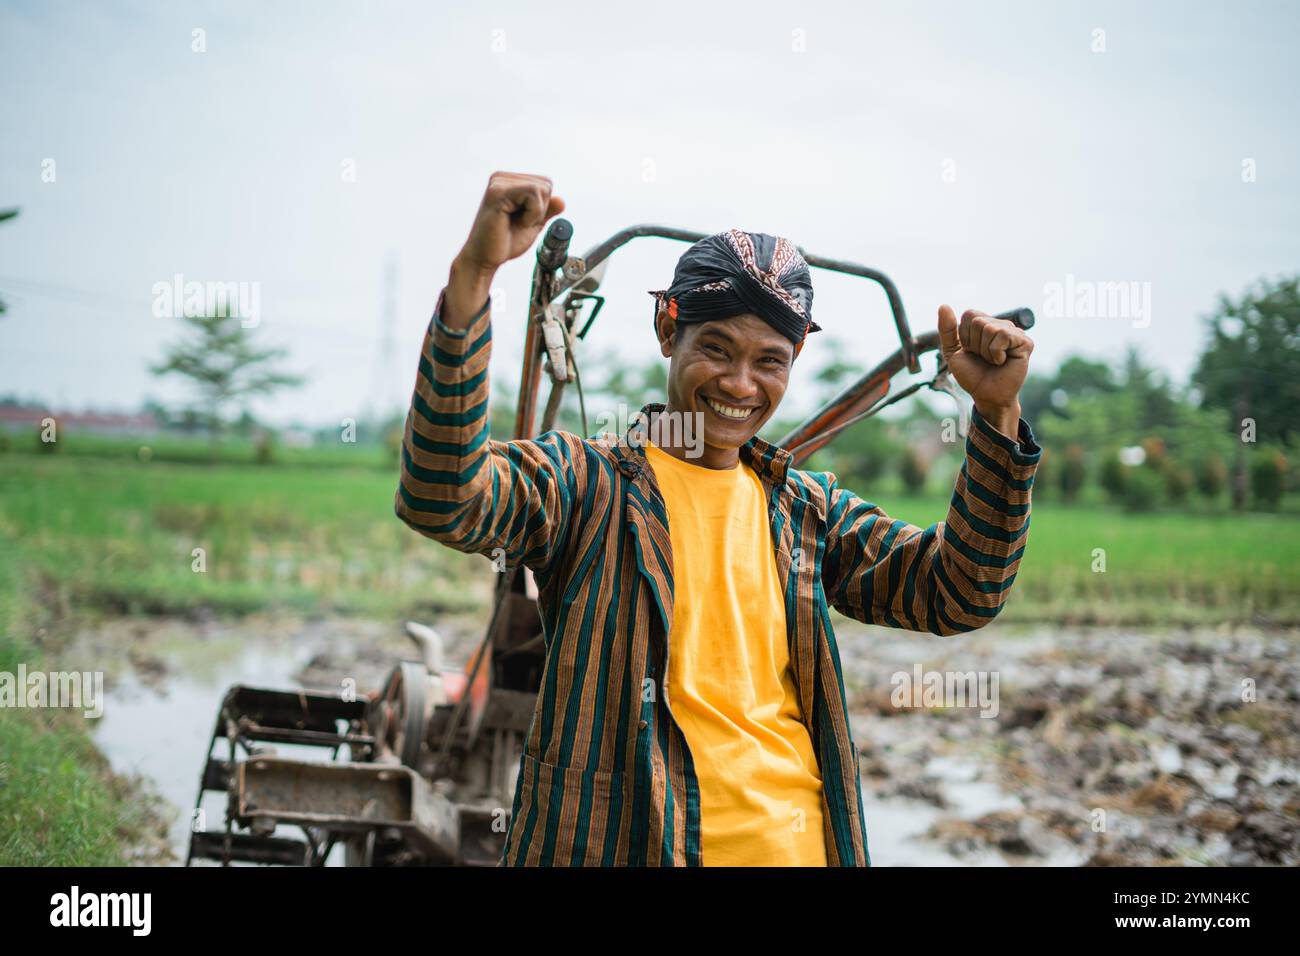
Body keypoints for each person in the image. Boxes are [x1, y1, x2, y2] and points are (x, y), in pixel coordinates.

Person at [395, 171, 1041, 866]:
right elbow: (444, 493)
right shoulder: (586, 487)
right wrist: (476, 271)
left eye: (770, 361)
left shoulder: (805, 512)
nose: (740, 384)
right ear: (667, 329)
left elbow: (959, 592)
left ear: (795, 361)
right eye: (716, 350)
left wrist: (998, 416)